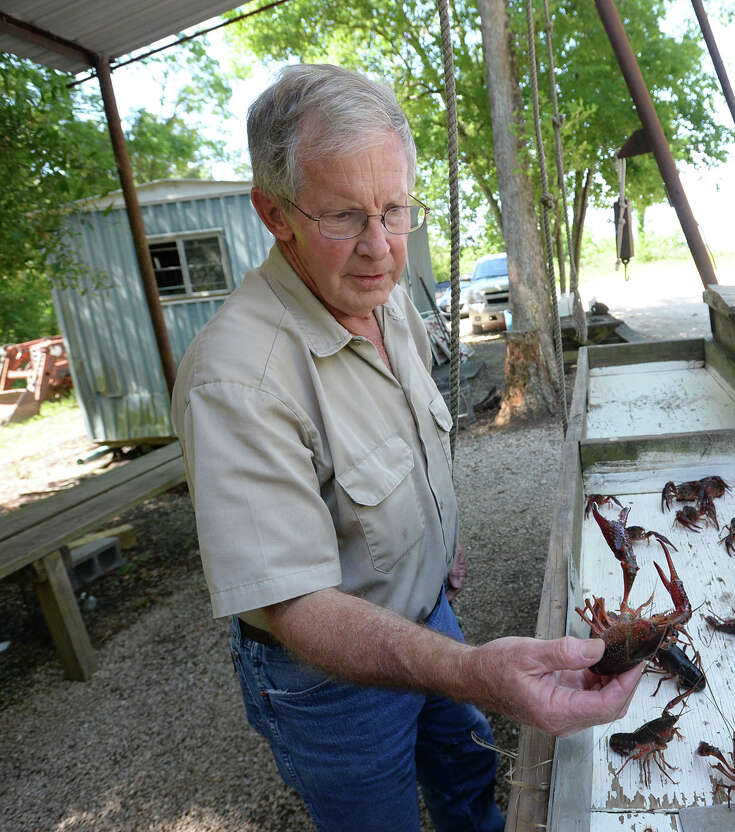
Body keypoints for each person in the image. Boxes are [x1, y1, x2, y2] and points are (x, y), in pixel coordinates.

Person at [170, 64, 642, 832]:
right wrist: (467, 671)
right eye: (344, 216)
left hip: (430, 614)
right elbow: (293, 605)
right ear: (273, 212)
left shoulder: (384, 307)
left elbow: (407, 451)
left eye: (394, 210)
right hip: (328, 684)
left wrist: (435, 542)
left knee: (467, 783)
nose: (381, 248)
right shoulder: (237, 380)